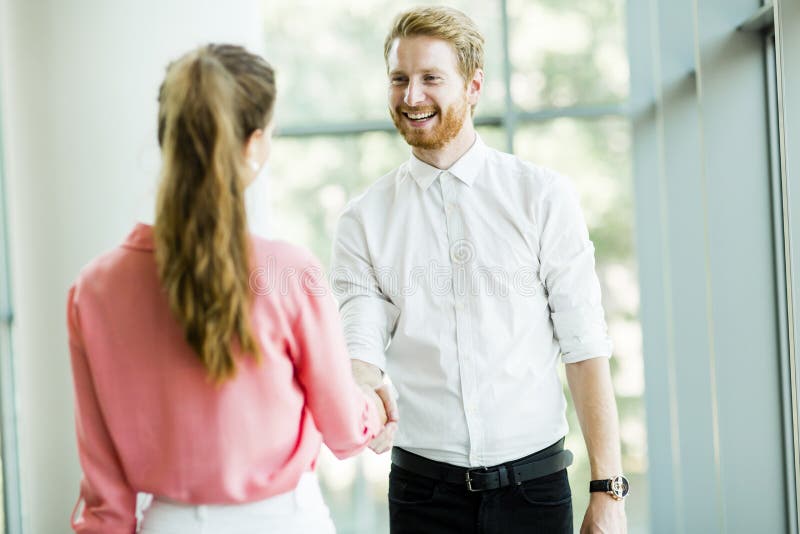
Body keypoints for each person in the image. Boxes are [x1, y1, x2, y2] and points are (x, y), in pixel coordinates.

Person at [67, 43, 389, 534]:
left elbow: (106, 503)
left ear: (166, 140)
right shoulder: (289, 272)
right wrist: (371, 399)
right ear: (254, 145)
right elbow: (345, 431)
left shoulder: (93, 290)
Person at [332, 7, 628, 534]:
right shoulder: (363, 219)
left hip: (534, 492)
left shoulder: (542, 197)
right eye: (399, 79)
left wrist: (608, 491)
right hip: (423, 495)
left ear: (473, 86)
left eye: (430, 79)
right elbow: (361, 331)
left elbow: (584, 345)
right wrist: (361, 387)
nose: (411, 96)